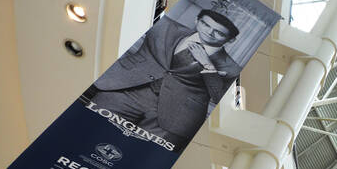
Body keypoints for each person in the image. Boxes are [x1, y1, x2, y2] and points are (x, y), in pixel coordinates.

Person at [87, 8, 242, 144]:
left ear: (231, 40)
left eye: (219, 32)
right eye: (205, 24)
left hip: (175, 116)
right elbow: (120, 23)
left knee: (133, 158)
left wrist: (208, 66)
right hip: (127, 90)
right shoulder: (164, 26)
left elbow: (219, 97)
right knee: (86, 131)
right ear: (197, 21)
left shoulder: (231, 68)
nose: (209, 32)